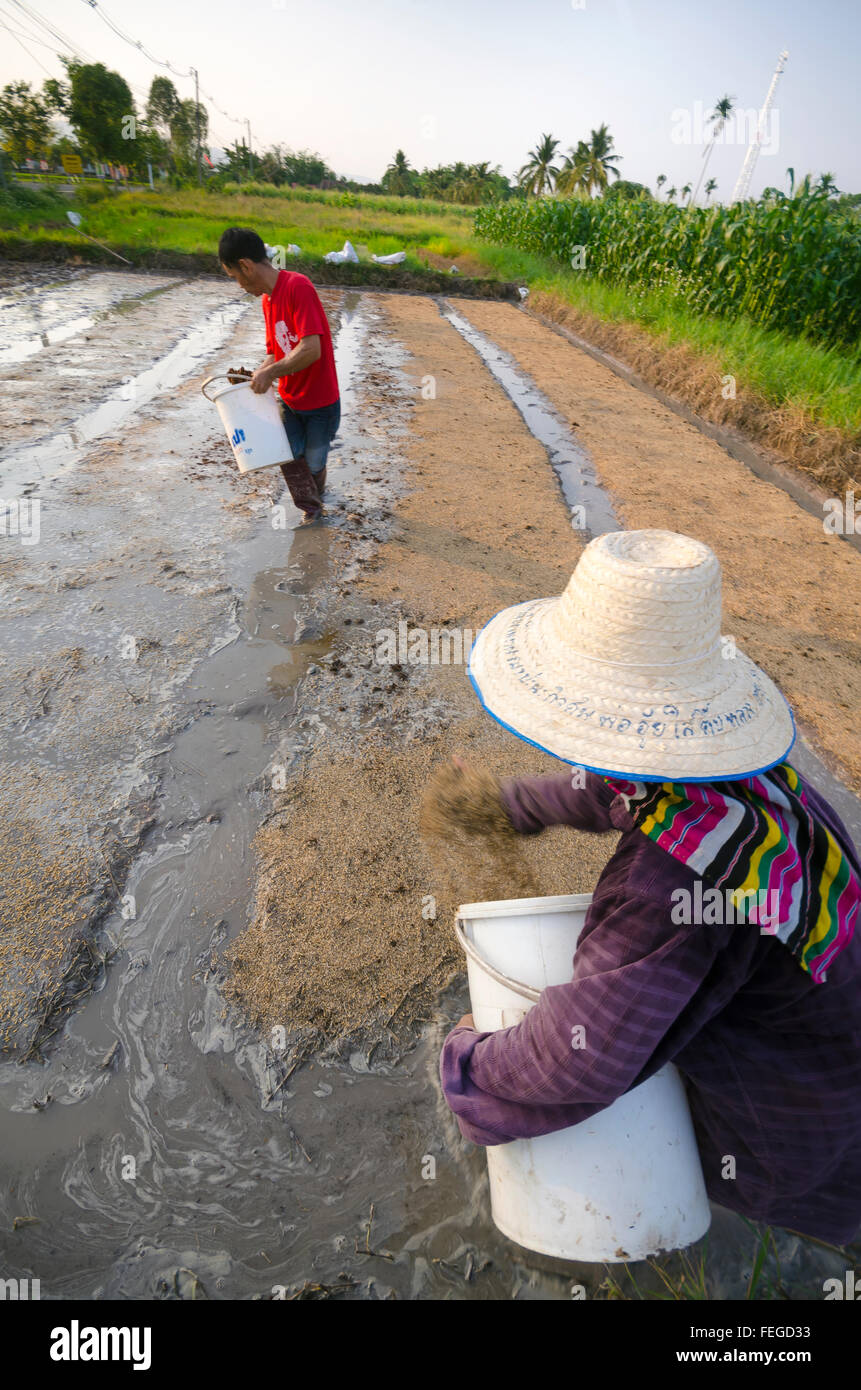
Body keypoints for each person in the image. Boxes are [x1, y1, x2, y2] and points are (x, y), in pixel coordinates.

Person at [438, 528, 861, 1245]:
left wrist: (464, 1059)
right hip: (837, 1035)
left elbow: (579, 1058)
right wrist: (513, 806)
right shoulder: (739, 783)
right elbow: (615, 788)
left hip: (794, 1109)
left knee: (803, 1220)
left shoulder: (668, 886)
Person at [218, 227, 340, 523]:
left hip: (321, 403)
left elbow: (312, 349)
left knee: (312, 463)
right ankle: (311, 511)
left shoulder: (298, 287)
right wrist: (259, 373)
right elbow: (275, 350)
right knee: (289, 456)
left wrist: (271, 371)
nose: (239, 285)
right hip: (289, 400)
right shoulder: (267, 300)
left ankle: (317, 493)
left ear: (245, 266)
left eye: (235, 276)